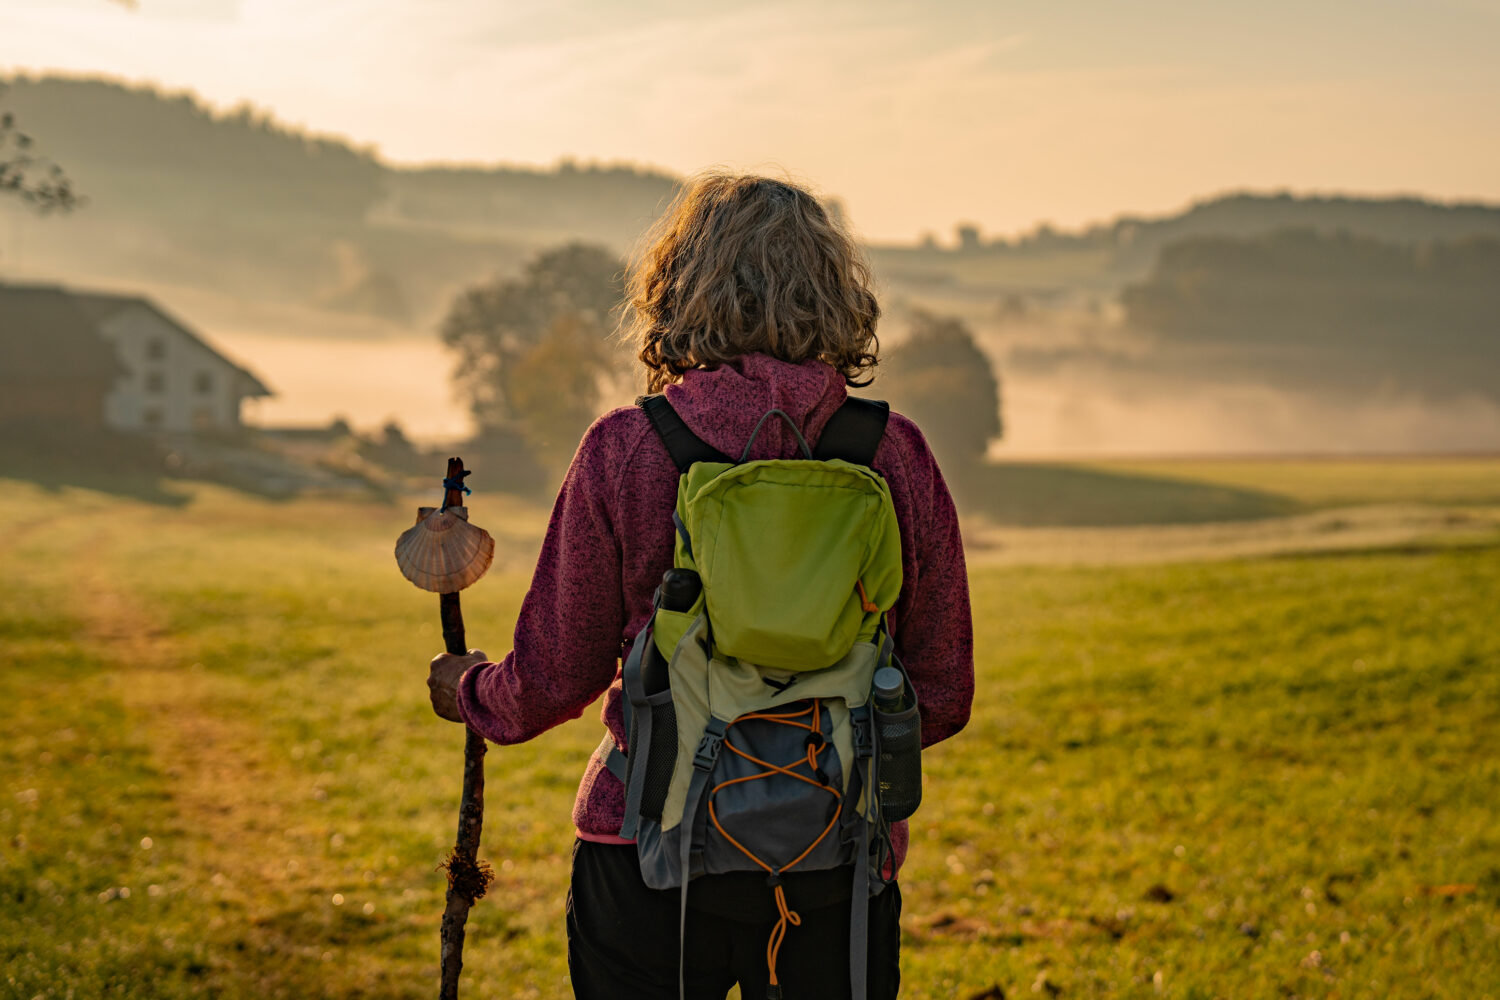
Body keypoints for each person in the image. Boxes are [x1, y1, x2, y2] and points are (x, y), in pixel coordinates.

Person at [427, 172, 974, 999]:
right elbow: (943, 691)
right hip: (837, 864)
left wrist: (469, 690)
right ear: (837, 289)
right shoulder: (893, 452)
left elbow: (554, 676)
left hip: (647, 854)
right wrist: (807, 758)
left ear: (680, 289)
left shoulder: (627, 449)